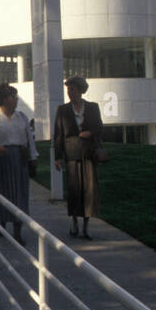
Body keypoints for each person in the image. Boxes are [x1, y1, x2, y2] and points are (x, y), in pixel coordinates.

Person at [0, 83, 36, 245]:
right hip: (1, 158)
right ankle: (1, 225)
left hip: (18, 157)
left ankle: (17, 231)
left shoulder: (22, 117)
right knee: (1, 192)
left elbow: (29, 139)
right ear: (4, 99)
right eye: (13, 97)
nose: (16, 99)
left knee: (19, 192)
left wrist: (33, 157)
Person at [53, 75, 104, 240]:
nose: (70, 92)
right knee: (74, 190)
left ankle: (86, 226)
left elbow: (100, 128)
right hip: (72, 154)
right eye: (68, 90)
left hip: (88, 154)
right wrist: (58, 157)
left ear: (81, 91)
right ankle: (74, 221)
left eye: (73, 89)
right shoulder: (62, 110)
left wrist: (90, 133)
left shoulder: (92, 107)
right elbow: (58, 135)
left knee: (89, 190)